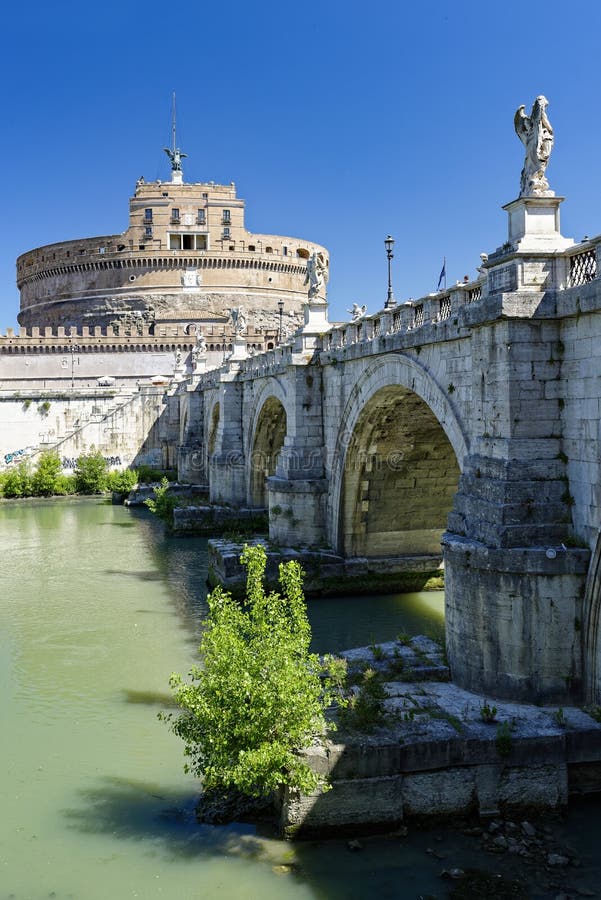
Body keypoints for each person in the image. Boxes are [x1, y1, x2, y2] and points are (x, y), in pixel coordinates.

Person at [514, 96, 554, 196]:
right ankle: (533, 181)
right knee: (538, 160)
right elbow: (547, 124)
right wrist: (550, 129)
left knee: (542, 161)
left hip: (540, 142)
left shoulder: (536, 129)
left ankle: (536, 179)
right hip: (535, 145)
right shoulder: (533, 132)